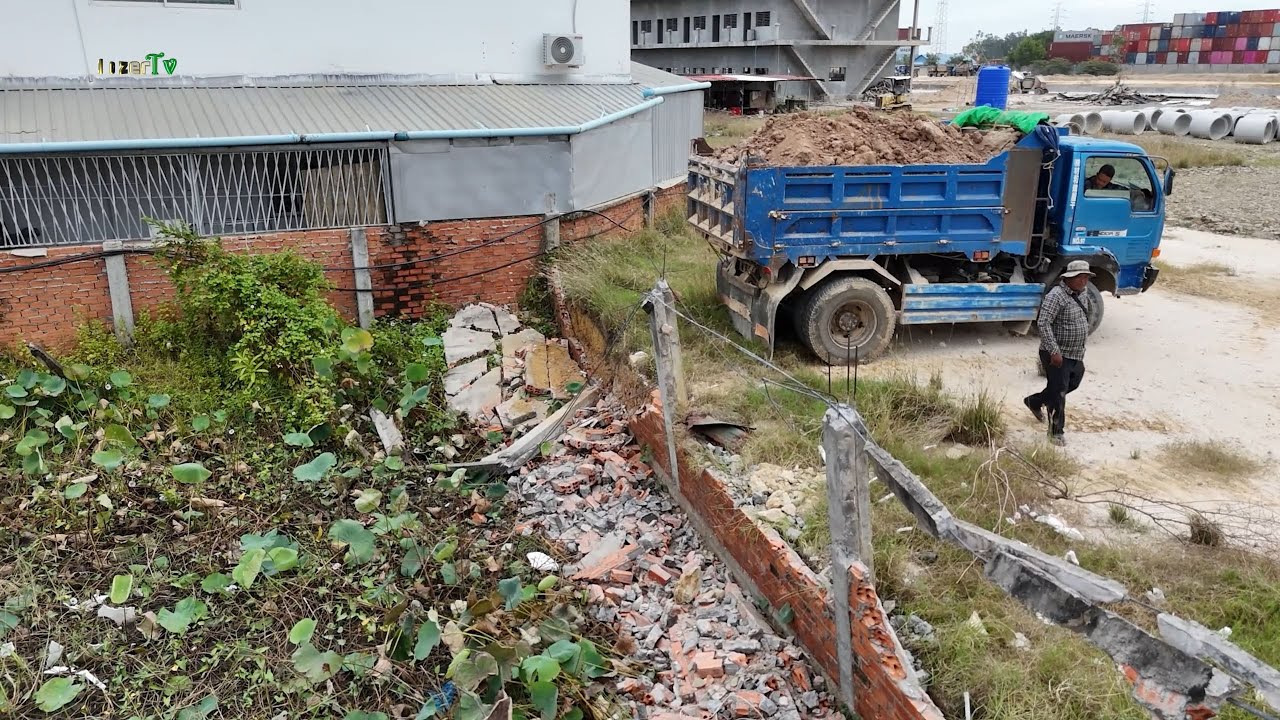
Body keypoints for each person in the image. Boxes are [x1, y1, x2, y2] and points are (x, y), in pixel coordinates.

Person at [1024, 260, 1094, 446]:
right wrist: (1054, 351)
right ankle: (1055, 432)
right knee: (1059, 393)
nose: (1084, 281)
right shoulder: (1056, 295)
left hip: (1075, 353)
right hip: (1056, 354)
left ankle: (1035, 401)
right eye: (1080, 277)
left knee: (1073, 381)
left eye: (1086, 277)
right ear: (1069, 277)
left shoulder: (1083, 293)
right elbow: (1043, 323)